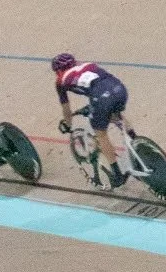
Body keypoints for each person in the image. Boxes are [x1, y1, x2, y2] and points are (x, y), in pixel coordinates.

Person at [51, 53, 131, 189]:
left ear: (58, 70)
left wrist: (68, 124)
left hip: (101, 97)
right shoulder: (88, 65)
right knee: (116, 115)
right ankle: (137, 144)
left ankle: (117, 174)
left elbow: (66, 109)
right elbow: (98, 85)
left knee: (100, 133)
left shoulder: (60, 81)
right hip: (119, 89)